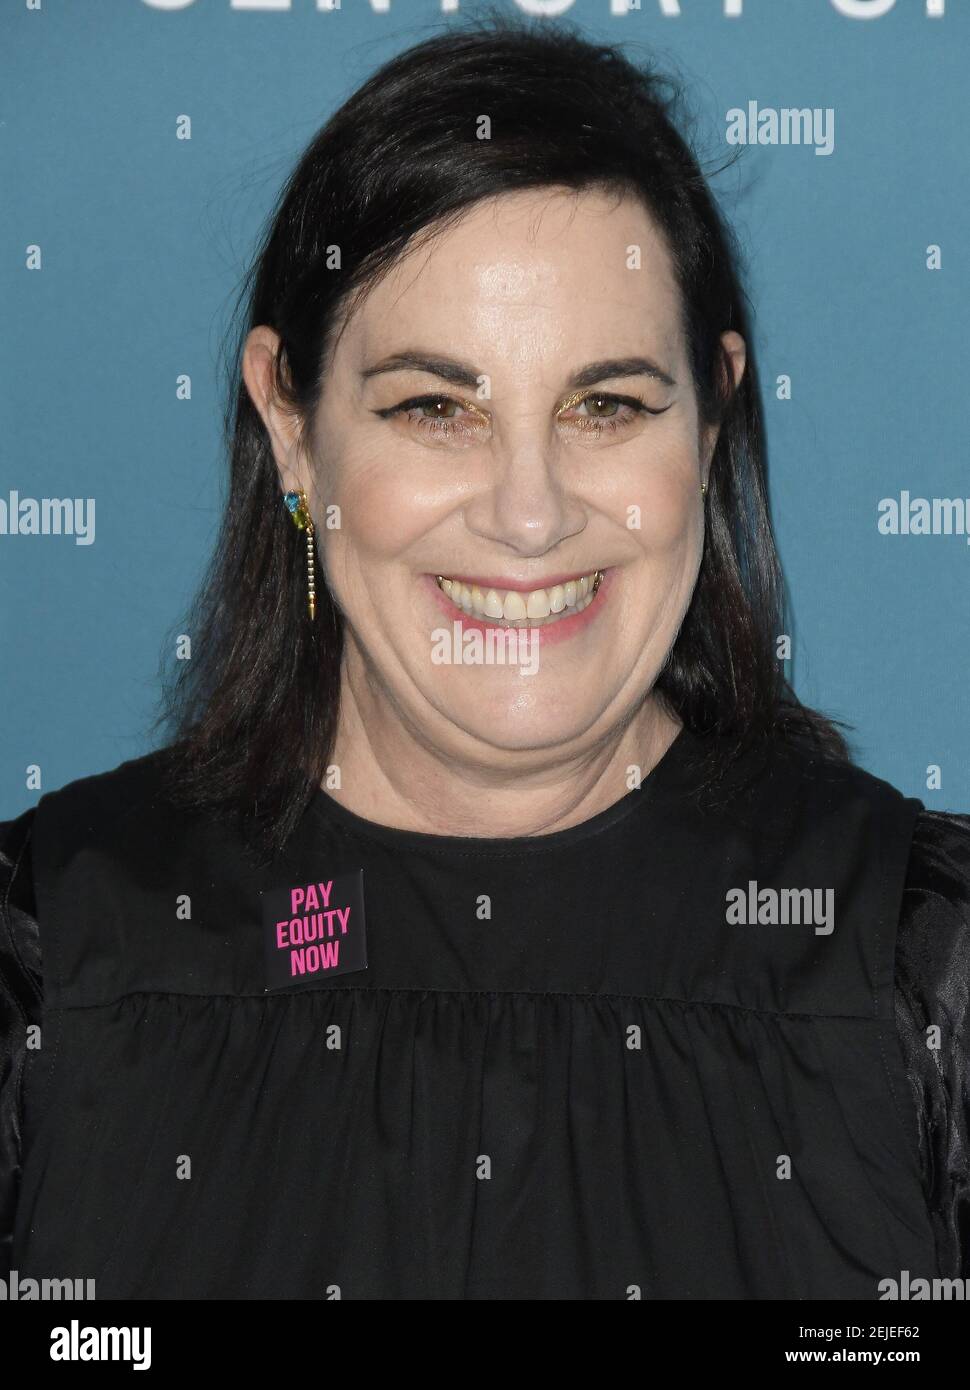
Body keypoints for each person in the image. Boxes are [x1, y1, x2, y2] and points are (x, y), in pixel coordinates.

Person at [1, 17, 968, 1300]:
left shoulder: (921, 968)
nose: (528, 513)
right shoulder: (52, 955)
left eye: (606, 404)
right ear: (291, 430)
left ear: (715, 420)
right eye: (433, 409)